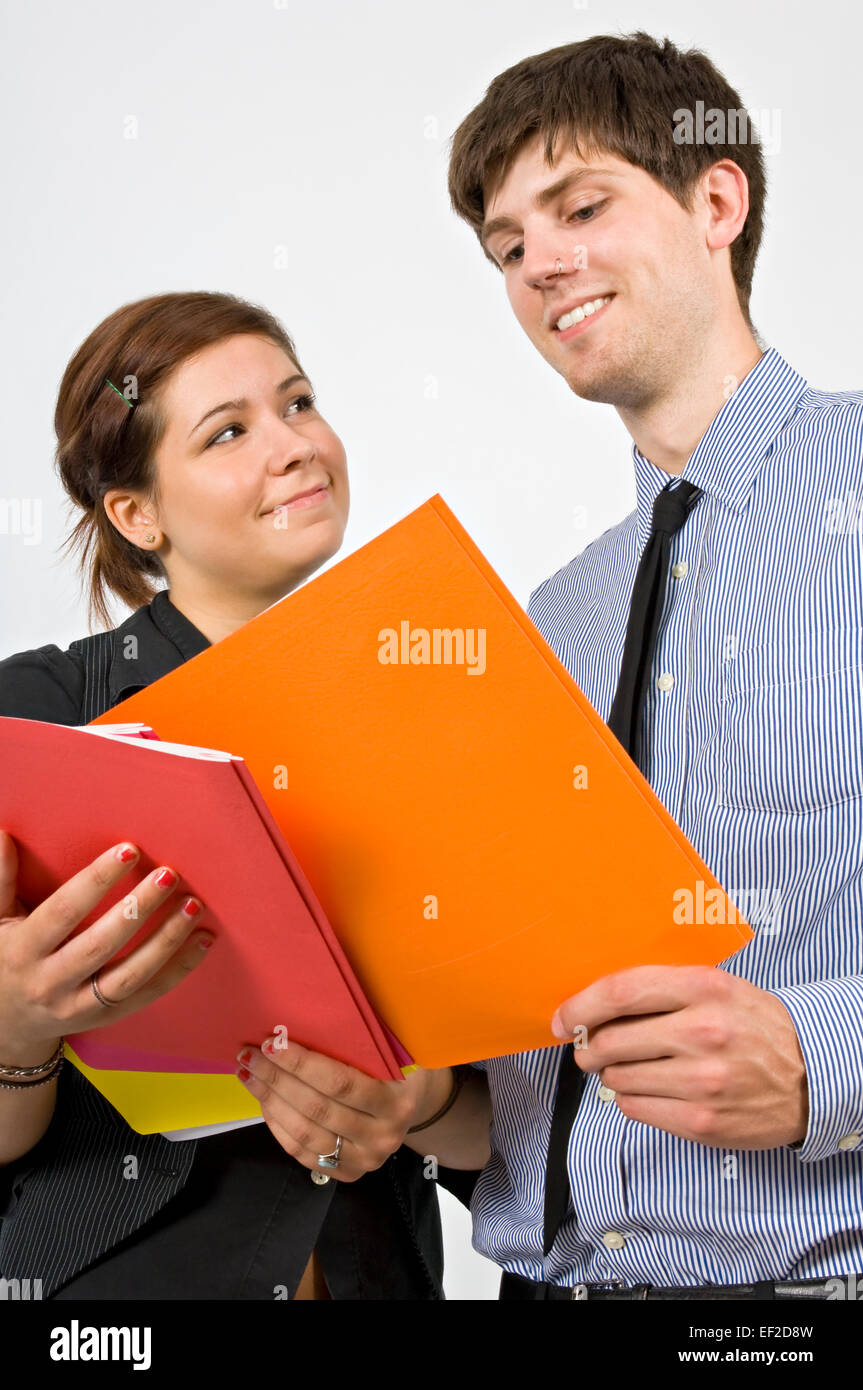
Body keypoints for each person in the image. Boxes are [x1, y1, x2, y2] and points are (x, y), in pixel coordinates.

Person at [431, 32, 863, 1299]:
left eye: (579, 206)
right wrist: (422, 1099)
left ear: (714, 200)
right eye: (507, 247)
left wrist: (826, 1054)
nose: (538, 264)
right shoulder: (549, 616)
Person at [0, 290, 490, 1301]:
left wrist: (422, 1095)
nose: (294, 445)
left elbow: (511, 1130)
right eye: (229, 431)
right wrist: (15, 1030)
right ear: (135, 514)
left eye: (299, 403)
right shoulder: (36, 720)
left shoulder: (434, 724)